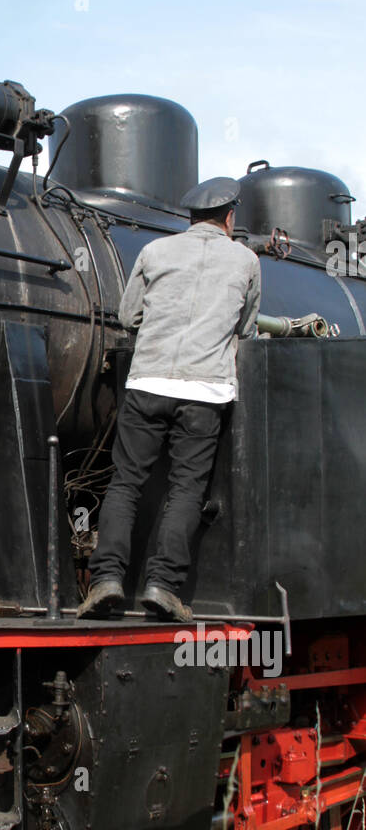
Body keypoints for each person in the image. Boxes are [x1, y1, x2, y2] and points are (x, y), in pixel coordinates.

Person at [76, 176, 261, 622]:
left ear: (189, 217)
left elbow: (128, 315)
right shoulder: (246, 260)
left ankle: (105, 580)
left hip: (148, 384)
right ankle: (162, 586)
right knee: (186, 488)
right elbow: (248, 329)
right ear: (229, 218)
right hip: (204, 392)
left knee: (125, 482)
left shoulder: (155, 251)